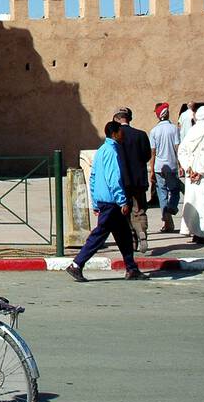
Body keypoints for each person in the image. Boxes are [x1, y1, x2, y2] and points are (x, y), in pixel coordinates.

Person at [64, 121, 147, 282]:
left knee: (123, 236)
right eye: (121, 131)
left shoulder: (101, 151)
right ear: (115, 133)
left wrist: (95, 201)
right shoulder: (111, 152)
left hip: (104, 201)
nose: (123, 134)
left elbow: (93, 178)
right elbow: (114, 179)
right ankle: (77, 264)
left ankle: (131, 268)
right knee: (99, 234)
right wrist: (122, 201)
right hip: (111, 203)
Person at [177, 106, 204, 242]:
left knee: (194, 201)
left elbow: (182, 150)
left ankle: (195, 232)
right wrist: (200, 171)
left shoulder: (192, 130)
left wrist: (188, 168)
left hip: (191, 173)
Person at [113, 107, 152, 253]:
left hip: (123, 180)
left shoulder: (116, 137)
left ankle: (132, 239)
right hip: (139, 179)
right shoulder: (141, 135)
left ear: (117, 118)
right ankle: (142, 232)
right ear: (129, 118)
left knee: (125, 211)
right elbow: (147, 155)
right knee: (139, 209)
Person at [148, 103, 182, 233]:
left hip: (158, 167)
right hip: (172, 165)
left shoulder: (154, 131)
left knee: (161, 193)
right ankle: (171, 208)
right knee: (174, 190)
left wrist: (151, 170)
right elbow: (177, 147)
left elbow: (153, 152)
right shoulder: (174, 129)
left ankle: (166, 220)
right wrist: (180, 164)